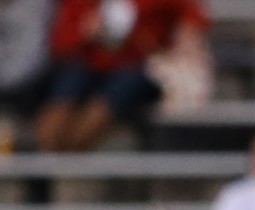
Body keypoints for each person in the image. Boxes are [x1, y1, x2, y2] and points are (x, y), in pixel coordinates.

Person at [34, 0, 206, 152]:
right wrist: (84, 32)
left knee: (100, 110)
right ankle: (54, 163)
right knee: (57, 115)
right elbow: (61, 44)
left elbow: (192, 19)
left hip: (135, 69)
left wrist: (184, 41)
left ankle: (63, 164)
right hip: (86, 64)